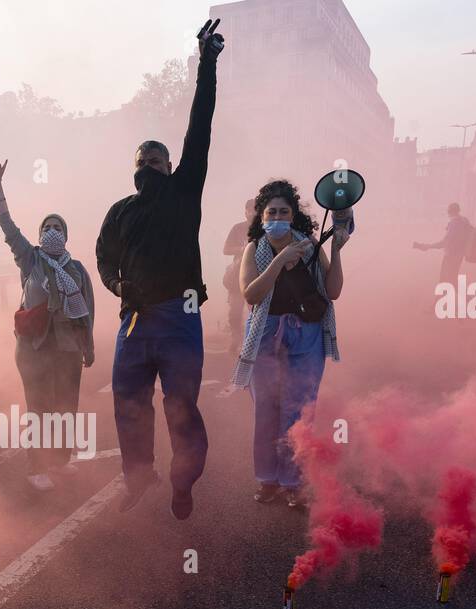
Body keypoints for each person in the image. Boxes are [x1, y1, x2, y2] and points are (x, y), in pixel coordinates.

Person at [95, 18, 225, 520]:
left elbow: (201, 126)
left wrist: (206, 63)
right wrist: (115, 284)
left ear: (172, 166)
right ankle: (139, 474)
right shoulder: (120, 210)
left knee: (181, 406)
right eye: (144, 157)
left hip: (180, 314)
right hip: (133, 319)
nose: (151, 162)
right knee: (128, 401)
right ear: (135, 166)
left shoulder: (184, 190)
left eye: (159, 157)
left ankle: (183, 479)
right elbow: (104, 256)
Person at [230, 179, 348, 508]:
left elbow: (333, 290)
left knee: (299, 408)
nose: (278, 216)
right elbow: (251, 294)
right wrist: (281, 260)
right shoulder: (254, 248)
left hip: (306, 335)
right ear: (262, 216)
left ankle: (293, 482)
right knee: (267, 408)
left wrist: (336, 248)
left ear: (293, 214)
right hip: (266, 334)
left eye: (284, 211)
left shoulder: (310, 245)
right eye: (272, 211)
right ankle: (269, 480)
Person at [0, 159, 96, 490]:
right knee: (39, 407)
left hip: (67, 348)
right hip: (34, 347)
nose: (51, 232)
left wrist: (88, 346)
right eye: (46, 228)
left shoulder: (77, 269)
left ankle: (60, 461)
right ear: (38, 236)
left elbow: (87, 311)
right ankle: (36, 466)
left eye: (57, 228)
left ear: (66, 235)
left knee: (65, 405)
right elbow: (7, 226)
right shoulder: (30, 259)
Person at [223, 199, 257, 352]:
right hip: (237, 277)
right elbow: (226, 249)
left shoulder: (265, 228)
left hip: (258, 276)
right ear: (245, 211)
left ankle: (251, 344)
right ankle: (236, 337)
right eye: (249, 209)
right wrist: (242, 249)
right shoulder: (238, 228)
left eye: (255, 209)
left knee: (256, 313)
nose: (252, 212)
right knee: (235, 312)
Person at [412, 202, 472, 285]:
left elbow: (444, 243)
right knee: (452, 281)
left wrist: (427, 246)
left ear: (450, 212)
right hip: (459, 255)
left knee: (445, 282)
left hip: (450, 256)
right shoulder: (464, 220)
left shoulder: (454, 223)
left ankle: (465, 297)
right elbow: (471, 233)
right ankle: (465, 297)